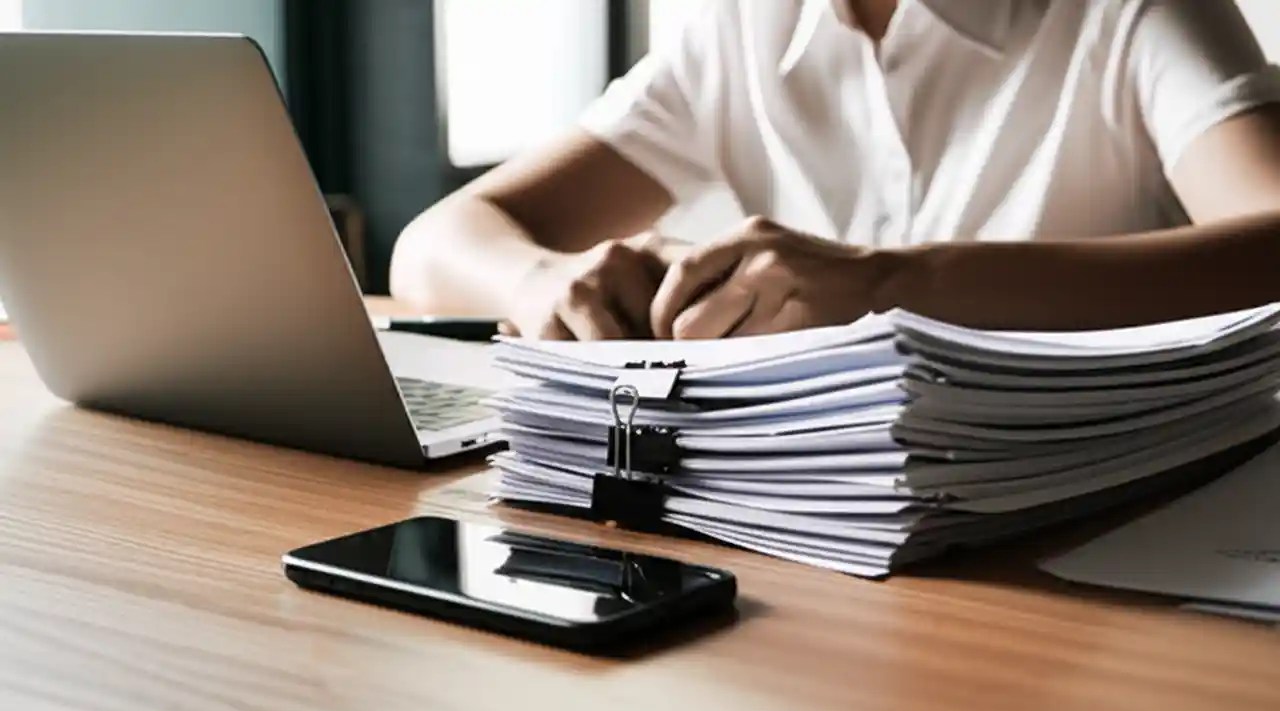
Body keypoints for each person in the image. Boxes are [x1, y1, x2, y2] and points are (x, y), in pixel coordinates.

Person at [390, 0, 1280, 341]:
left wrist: (894, 281)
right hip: (807, 548)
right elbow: (431, 248)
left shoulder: (1133, 12)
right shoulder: (741, 31)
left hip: (1097, 542)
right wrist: (549, 281)